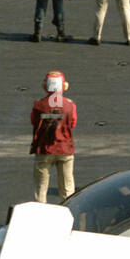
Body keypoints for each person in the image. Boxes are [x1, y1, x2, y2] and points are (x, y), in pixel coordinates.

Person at [30, 70, 77, 202]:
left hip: (44, 150)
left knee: (40, 188)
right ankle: (70, 214)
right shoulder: (70, 105)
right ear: (64, 86)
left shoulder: (38, 105)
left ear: (45, 86)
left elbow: (34, 122)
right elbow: (72, 123)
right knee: (67, 189)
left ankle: (41, 216)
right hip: (64, 149)